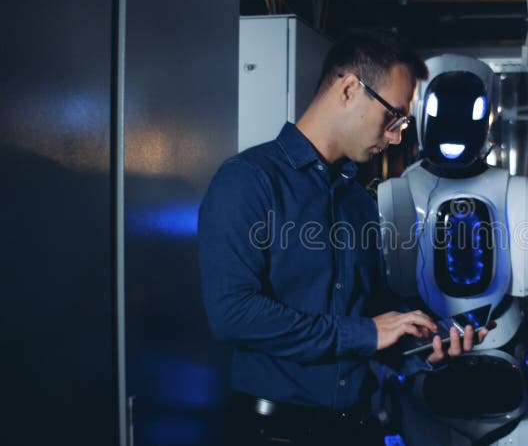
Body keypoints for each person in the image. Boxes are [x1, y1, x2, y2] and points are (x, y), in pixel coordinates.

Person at [198, 30, 486, 446]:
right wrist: (366, 333)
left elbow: (370, 314)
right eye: (393, 117)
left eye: (402, 123)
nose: (396, 136)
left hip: (357, 429)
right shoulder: (248, 181)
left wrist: (424, 344)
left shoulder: (358, 201)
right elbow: (233, 314)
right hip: (275, 433)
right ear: (350, 89)